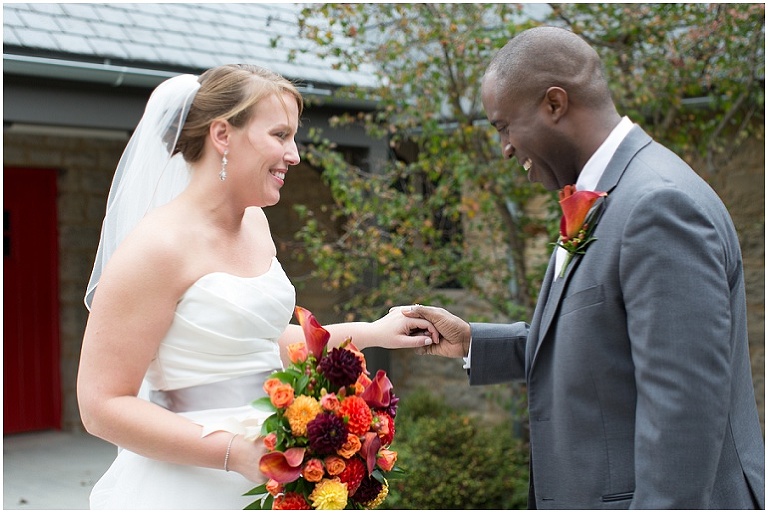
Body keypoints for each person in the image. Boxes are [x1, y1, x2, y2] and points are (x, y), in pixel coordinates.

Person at [400, 26, 765, 509]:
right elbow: (604, 340)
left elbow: (684, 415)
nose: (505, 147)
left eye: (504, 126)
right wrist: (473, 342)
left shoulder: (659, 206)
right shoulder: (603, 196)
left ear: (555, 104)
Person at [77, 64, 438, 510]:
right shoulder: (156, 248)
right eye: (280, 135)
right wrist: (234, 454)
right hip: (192, 482)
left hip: (278, 476)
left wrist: (375, 331)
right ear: (223, 135)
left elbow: (255, 341)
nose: (295, 155)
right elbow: (100, 405)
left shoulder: (255, 224)